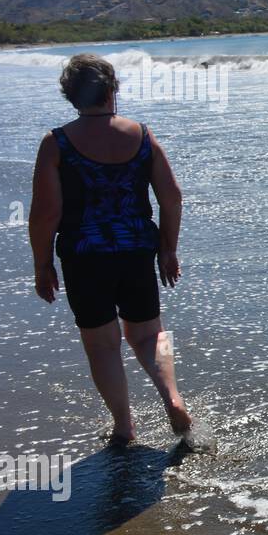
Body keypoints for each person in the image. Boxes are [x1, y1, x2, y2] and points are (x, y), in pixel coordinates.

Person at [28, 54, 193, 444]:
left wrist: (42, 263)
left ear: (71, 94)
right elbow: (172, 198)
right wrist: (168, 249)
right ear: (112, 90)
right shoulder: (141, 135)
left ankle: (123, 426)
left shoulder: (58, 143)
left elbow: (46, 214)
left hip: (85, 255)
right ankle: (171, 397)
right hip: (137, 249)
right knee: (149, 333)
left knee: (102, 344)